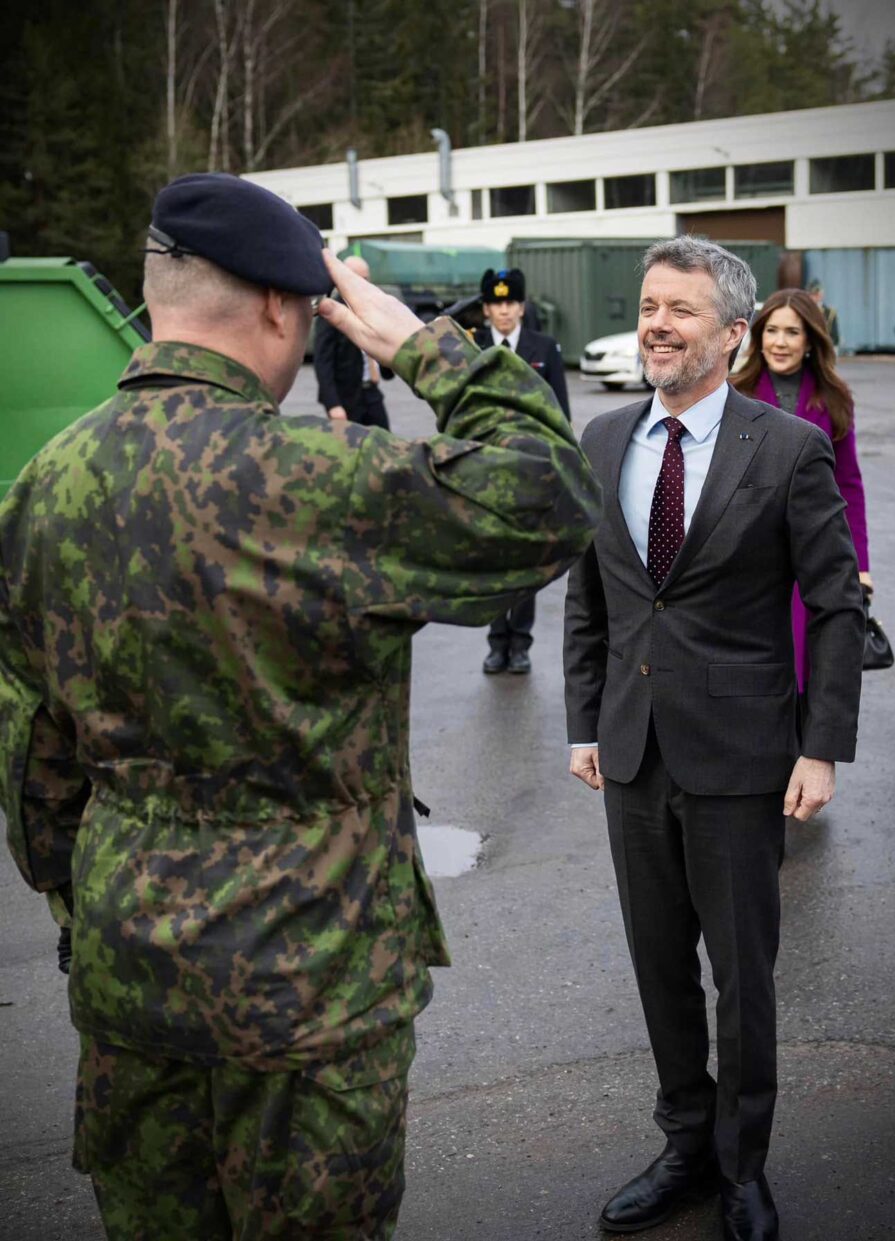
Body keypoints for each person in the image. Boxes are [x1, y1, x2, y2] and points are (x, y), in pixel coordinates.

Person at [0, 172, 603, 1241]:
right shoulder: (320, 479)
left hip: (130, 967)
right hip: (311, 989)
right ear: (285, 307)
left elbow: (29, 746)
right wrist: (424, 346)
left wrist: (87, 897)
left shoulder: (42, 485)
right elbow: (550, 492)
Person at [563, 237, 864, 1241]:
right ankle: (683, 1141)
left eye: (679, 310)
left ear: (733, 335)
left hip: (744, 759)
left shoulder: (784, 448)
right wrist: (582, 721)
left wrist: (820, 746)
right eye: (650, 305)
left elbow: (831, 606)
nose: (655, 323)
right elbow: (591, 596)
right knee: (658, 968)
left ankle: (742, 1165)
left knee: (743, 977)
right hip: (633, 752)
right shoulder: (603, 440)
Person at [731, 287, 872, 691]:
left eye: (792, 332)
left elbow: (849, 483)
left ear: (810, 339)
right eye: (771, 330)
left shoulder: (834, 397)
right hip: (747, 546)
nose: (779, 342)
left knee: (809, 660)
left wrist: (860, 566)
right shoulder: (735, 391)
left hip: (815, 547)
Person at [475, 267, 571, 675]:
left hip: (532, 470)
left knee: (527, 558)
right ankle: (497, 642)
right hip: (486, 470)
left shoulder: (543, 347)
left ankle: (521, 643)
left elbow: (560, 413)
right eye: (497, 303)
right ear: (485, 308)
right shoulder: (472, 348)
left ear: (522, 306)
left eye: (511, 302)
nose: (504, 310)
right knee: (494, 560)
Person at [314, 253, 393, 428]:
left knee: (384, 444)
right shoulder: (331, 311)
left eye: (367, 278)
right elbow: (323, 362)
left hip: (372, 392)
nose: (365, 284)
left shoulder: (374, 309)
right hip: (347, 398)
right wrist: (332, 404)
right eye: (359, 279)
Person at [806, 279, 840, 349]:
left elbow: (835, 338)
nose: (812, 297)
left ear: (821, 294)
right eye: (810, 294)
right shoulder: (804, 311)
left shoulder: (830, 314)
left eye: (815, 294)